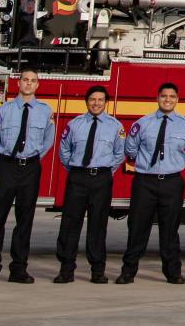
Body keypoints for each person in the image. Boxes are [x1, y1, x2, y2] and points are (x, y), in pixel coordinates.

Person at [116, 82, 185, 284]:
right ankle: (128, 272)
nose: (168, 100)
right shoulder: (143, 123)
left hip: (172, 182)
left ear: (177, 100)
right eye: (164, 96)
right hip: (145, 181)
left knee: (170, 229)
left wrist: (176, 162)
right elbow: (130, 149)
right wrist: (147, 164)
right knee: (137, 227)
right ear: (157, 98)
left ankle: (173, 272)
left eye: (172, 97)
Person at [0, 68, 55, 284]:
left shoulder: (45, 111)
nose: (29, 84)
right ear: (18, 83)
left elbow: (47, 141)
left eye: (33, 81)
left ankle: (18, 270)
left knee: (25, 220)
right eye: (25, 80)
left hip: (30, 168)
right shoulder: (4, 110)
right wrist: (7, 160)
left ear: (38, 85)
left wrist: (31, 159)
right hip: (7, 167)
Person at [54, 85, 125, 284]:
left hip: (101, 178)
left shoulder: (115, 126)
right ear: (87, 102)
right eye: (92, 100)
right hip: (77, 177)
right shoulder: (75, 124)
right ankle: (66, 270)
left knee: (98, 225)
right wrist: (77, 171)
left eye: (100, 100)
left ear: (106, 102)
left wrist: (104, 172)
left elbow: (119, 154)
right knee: (70, 224)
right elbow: (64, 151)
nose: (96, 103)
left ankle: (97, 271)